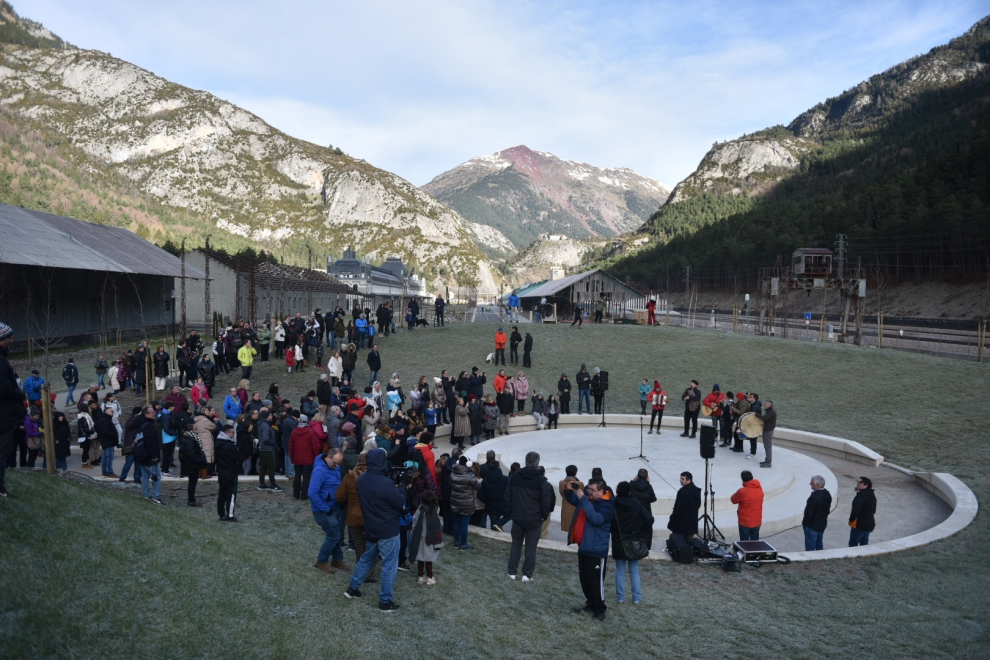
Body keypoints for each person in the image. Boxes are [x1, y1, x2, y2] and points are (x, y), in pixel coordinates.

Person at [344, 448, 406, 612]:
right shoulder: (386, 484)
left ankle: (353, 589)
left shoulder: (363, 479)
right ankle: (385, 601)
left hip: (371, 527)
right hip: (387, 529)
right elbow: (399, 504)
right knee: (389, 565)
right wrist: (402, 487)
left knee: (367, 558)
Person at [564, 478, 614, 620]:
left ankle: (600, 609)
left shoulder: (606, 505)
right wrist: (568, 490)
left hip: (596, 550)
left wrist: (585, 501)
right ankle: (590, 604)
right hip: (584, 548)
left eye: (592, 490)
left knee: (596, 581)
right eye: (588, 489)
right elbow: (574, 500)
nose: (589, 492)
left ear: (601, 491)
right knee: (585, 580)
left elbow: (596, 519)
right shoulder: (587, 501)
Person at [505, 451, 555, 581]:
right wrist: (544, 516)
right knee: (530, 547)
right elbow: (546, 502)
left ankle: (512, 573)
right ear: (537, 464)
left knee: (516, 544)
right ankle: (526, 574)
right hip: (533, 519)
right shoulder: (541, 481)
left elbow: (508, 497)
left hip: (519, 517)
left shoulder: (515, 477)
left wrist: (513, 512)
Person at [611, 481, 654, 605]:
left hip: (618, 541)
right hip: (633, 540)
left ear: (618, 491)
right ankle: (636, 598)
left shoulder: (613, 504)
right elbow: (649, 519)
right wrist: (641, 529)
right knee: (634, 570)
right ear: (629, 492)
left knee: (620, 570)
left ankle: (620, 598)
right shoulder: (635, 503)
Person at [309, 448, 348, 572]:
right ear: (328, 457)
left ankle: (337, 560)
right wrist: (326, 508)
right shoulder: (319, 471)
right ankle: (321, 561)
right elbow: (312, 493)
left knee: (337, 532)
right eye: (335, 463)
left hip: (334, 506)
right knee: (334, 534)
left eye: (339, 463)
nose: (336, 466)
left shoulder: (334, 467)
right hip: (324, 509)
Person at [410, 489, 443, 584]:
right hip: (430, 539)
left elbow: (414, 522)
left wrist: (413, 532)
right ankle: (430, 577)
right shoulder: (435, 510)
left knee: (420, 558)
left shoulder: (420, 510)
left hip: (419, 538)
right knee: (429, 559)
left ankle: (420, 576)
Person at [451, 455, 482, 549]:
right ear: (468, 464)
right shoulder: (470, 476)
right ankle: (464, 545)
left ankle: (457, 542)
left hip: (455, 502)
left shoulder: (452, 474)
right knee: (464, 525)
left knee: (456, 523)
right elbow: (478, 487)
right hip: (466, 504)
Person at [135, 406, 164, 504]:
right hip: (149, 456)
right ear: (146, 415)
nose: (154, 413)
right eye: (152, 412)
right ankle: (155, 497)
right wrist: (154, 455)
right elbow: (150, 442)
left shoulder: (142, 424)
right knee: (156, 476)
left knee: (145, 476)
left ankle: (146, 495)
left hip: (142, 455)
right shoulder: (148, 426)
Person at [214, 422, 241, 521]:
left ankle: (221, 514)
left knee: (222, 493)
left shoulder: (218, 443)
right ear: (228, 433)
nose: (233, 435)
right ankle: (230, 515)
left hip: (221, 471)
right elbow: (238, 457)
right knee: (231, 494)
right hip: (231, 472)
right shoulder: (230, 446)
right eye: (232, 433)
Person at [178, 422, 207, 506]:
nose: (196, 429)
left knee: (192, 483)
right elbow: (191, 454)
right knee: (192, 483)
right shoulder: (190, 440)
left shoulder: (189, 438)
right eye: (195, 428)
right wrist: (200, 461)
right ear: (191, 430)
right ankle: (191, 500)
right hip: (192, 465)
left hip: (191, 464)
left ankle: (192, 499)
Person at [667, 471, 701, 543]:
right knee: (688, 545)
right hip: (691, 525)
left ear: (689, 480)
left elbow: (680, 509)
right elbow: (698, 505)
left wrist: (673, 517)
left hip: (681, 525)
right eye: (680, 478)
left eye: (682, 479)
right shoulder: (696, 491)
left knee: (678, 544)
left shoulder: (684, 492)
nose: (680, 480)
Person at [730, 470, 764, 540]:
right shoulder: (759, 488)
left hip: (745, 522)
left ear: (742, 479)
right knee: (755, 545)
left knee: (744, 545)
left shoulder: (743, 491)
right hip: (757, 522)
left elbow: (733, 500)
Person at [802, 475, 832, 551]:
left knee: (810, 549)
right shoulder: (827, 495)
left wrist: (805, 524)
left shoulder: (814, 497)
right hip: (821, 525)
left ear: (817, 484)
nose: (810, 484)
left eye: (811, 482)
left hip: (812, 526)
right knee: (819, 545)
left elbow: (809, 513)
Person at [629, 469, 658, 548]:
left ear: (637, 476)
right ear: (647, 477)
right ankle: (645, 550)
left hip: (633, 513)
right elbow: (653, 499)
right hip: (645, 512)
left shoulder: (632, 485)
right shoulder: (648, 487)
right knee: (646, 533)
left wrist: (632, 481)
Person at [256, 410, 282, 491]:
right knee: (271, 466)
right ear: (267, 417)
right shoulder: (266, 426)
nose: (271, 417)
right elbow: (265, 438)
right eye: (270, 415)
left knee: (263, 467)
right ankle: (273, 484)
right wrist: (273, 442)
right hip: (267, 449)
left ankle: (262, 483)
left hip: (262, 448)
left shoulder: (260, 424)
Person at [848, 476, 877, 547]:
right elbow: (873, 510)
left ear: (866, 485)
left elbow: (855, 511)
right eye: (857, 482)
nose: (858, 484)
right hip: (869, 525)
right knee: (864, 546)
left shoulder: (860, 497)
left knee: (852, 545)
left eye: (860, 482)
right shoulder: (872, 496)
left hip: (859, 525)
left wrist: (851, 520)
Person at [559, 465, 584, 533]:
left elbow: (562, 493)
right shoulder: (579, 484)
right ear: (575, 473)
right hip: (575, 508)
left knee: (566, 531)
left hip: (565, 508)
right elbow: (582, 496)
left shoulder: (561, 483)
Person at [96, 406, 119, 478]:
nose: (113, 412)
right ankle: (110, 472)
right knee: (109, 458)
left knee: (105, 457)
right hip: (108, 442)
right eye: (111, 411)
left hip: (106, 442)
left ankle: (105, 472)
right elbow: (106, 432)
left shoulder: (104, 419)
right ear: (107, 412)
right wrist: (114, 435)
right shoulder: (105, 420)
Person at [756, 399, 777, 468]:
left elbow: (764, 418)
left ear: (769, 405)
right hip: (766, 431)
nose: (764, 405)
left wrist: (755, 414)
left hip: (768, 431)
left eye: (765, 404)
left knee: (768, 447)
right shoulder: (769, 411)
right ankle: (767, 460)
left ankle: (768, 463)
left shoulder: (772, 412)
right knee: (766, 447)